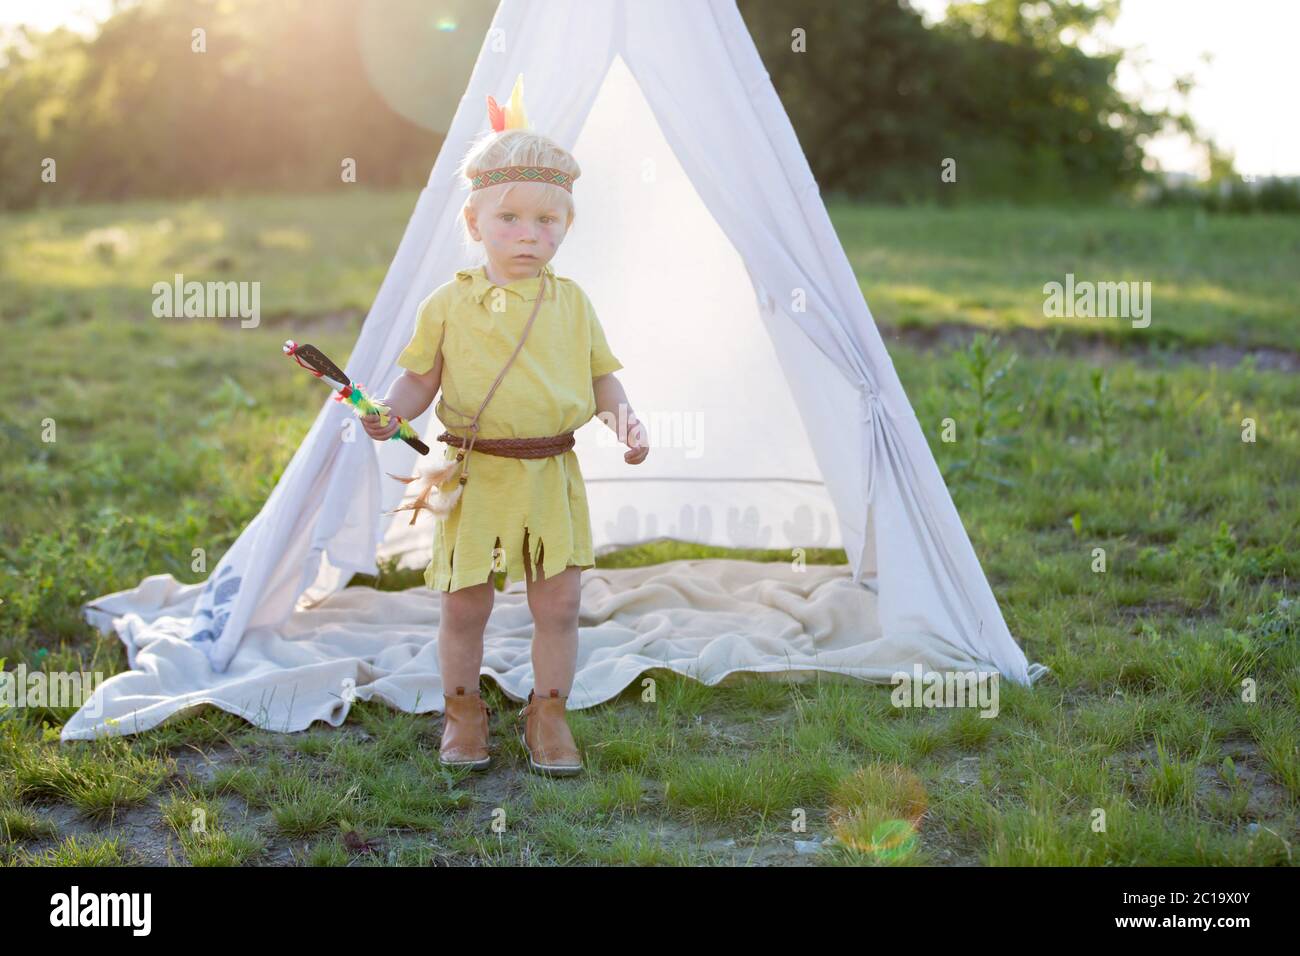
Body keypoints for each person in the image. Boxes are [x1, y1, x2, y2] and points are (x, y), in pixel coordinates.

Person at [362, 75, 649, 777]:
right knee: (465, 606)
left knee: (560, 604)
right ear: (474, 224)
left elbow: (600, 377)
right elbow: (420, 379)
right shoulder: (448, 304)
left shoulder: (573, 303)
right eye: (510, 219)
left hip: (551, 471)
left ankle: (548, 713)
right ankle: (463, 712)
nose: (529, 234)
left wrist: (625, 419)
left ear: (566, 226)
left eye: (546, 221)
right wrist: (392, 411)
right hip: (476, 473)